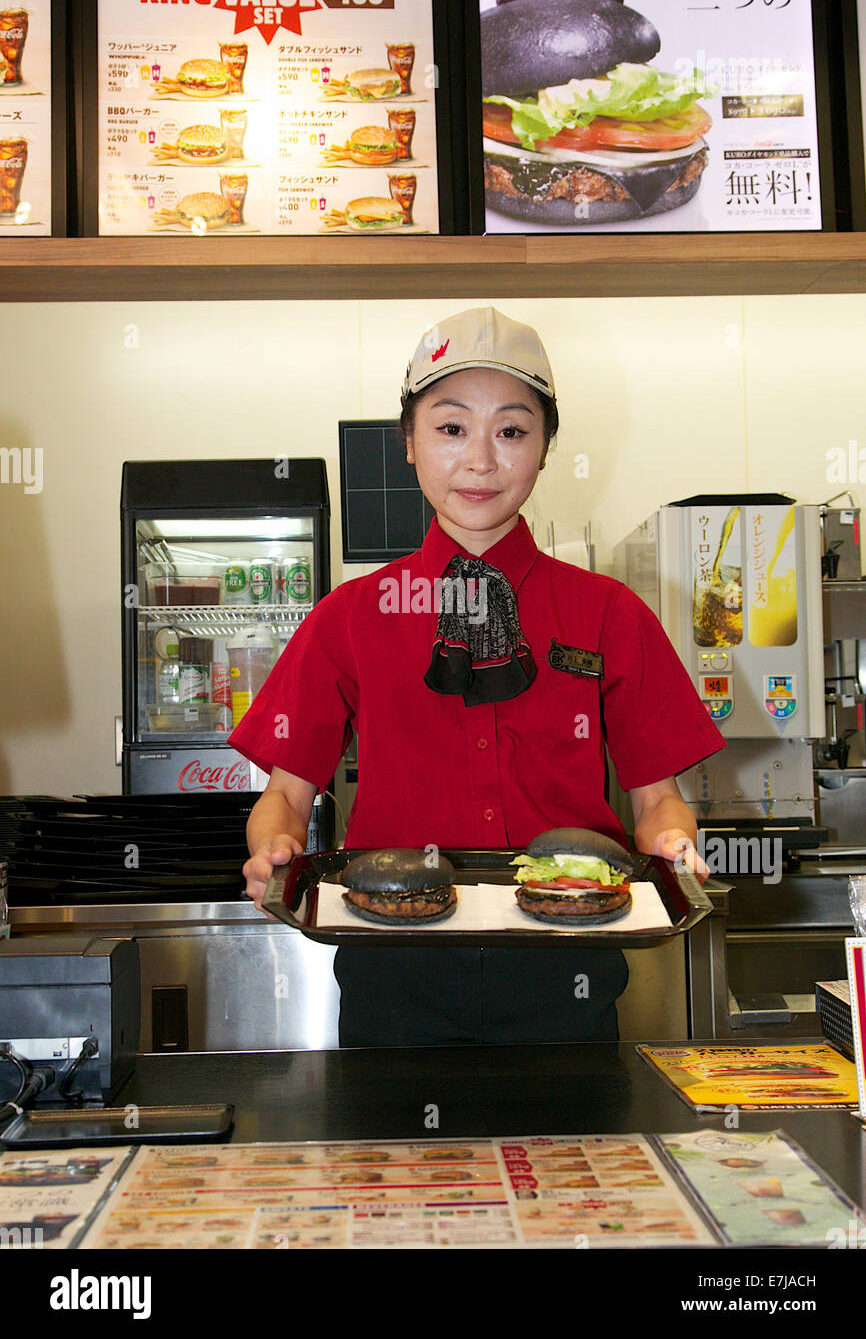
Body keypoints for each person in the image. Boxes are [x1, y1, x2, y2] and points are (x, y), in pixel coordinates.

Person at [233, 307, 725, 1048]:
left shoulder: (608, 613)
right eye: (451, 427)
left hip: (570, 971)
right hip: (392, 971)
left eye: (514, 431)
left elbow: (659, 802)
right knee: (396, 1167)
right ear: (408, 441)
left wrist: (674, 845)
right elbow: (284, 795)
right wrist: (274, 852)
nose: (482, 461)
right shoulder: (352, 616)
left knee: (578, 1165)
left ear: (546, 448)